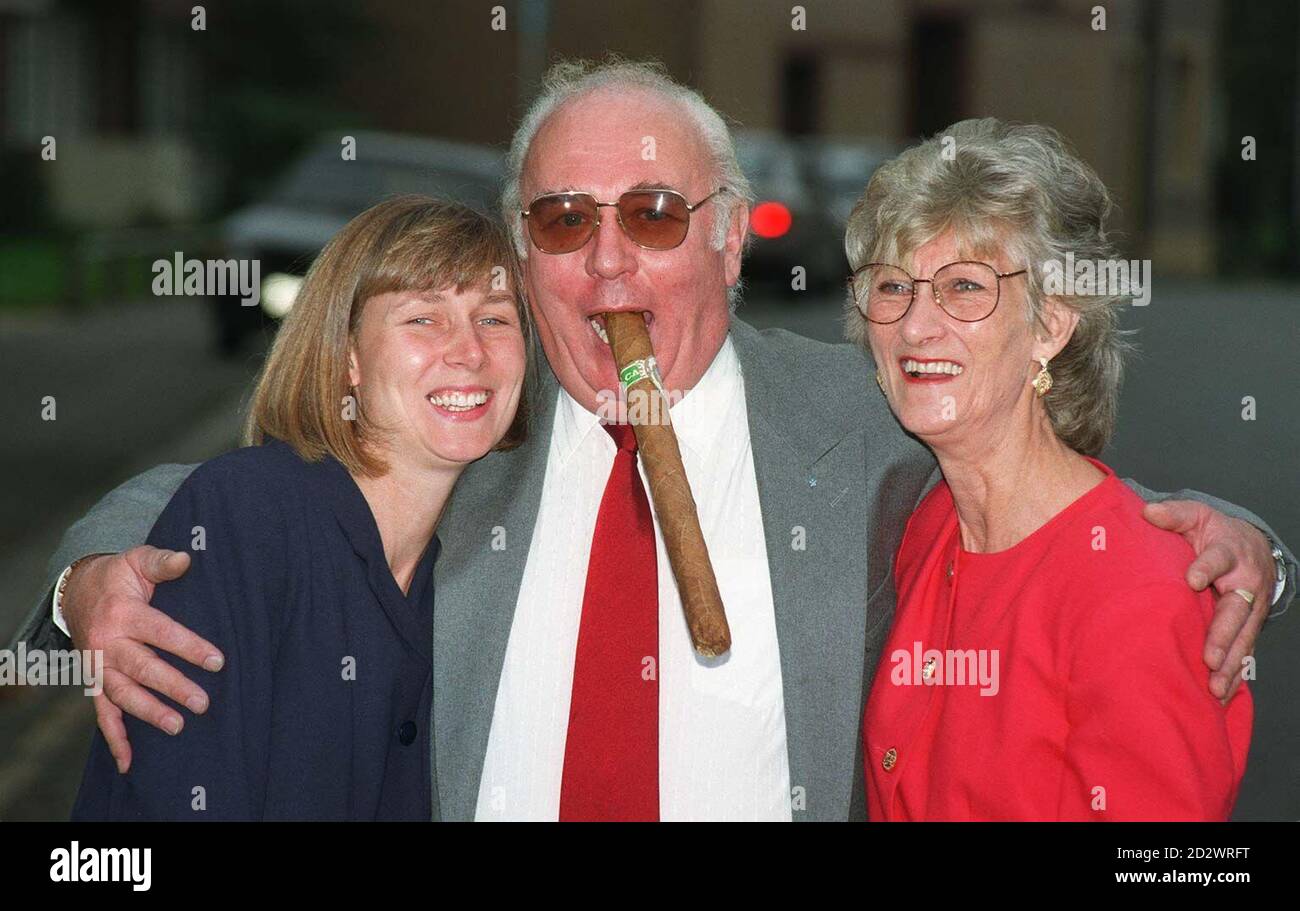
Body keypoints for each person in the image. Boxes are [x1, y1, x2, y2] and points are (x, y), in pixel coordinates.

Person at [12, 59, 1294, 822]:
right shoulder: (466, 430)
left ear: (731, 238)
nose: (610, 258)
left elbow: (1034, 486)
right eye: (564, 221)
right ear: (525, 250)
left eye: (654, 212)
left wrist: (1241, 549)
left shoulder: (863, 420)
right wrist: (84, 588)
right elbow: (232, 490)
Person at [71, 196, 531, 819]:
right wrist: (80, 579)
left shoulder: (461, 568)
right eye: (423, 319)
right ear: (348, 357)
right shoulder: (249, 519)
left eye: (495, 320)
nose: (469, 351)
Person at [852, 120, 1252, 820]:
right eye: (893, 285)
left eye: (965, 287)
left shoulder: (1137, 592)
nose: (915, 327)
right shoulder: (924, 522)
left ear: (1051, 323)